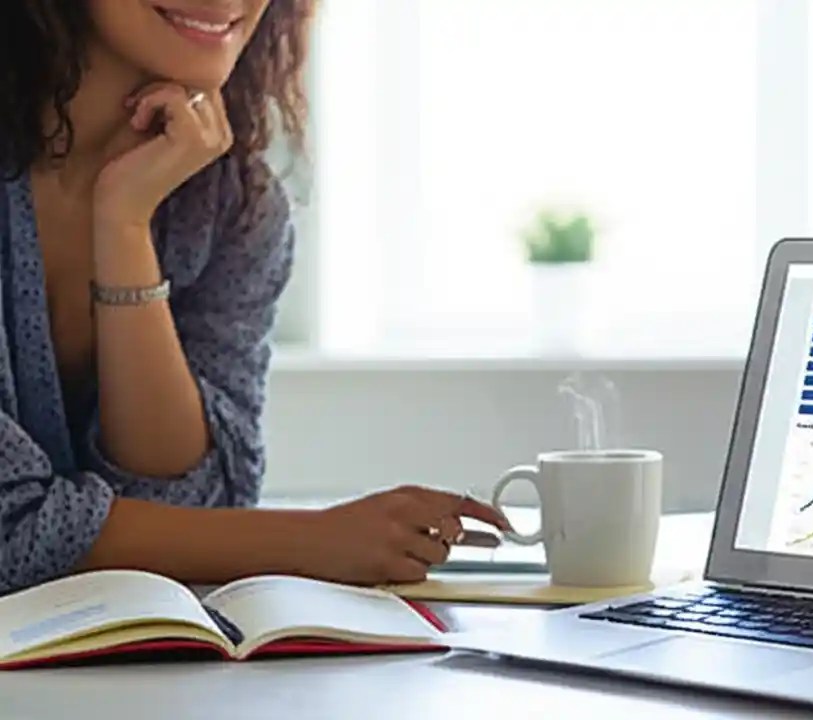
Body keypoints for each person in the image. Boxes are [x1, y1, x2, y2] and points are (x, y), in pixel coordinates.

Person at [0, 0, 510, 595]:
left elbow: (192, 506)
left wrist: (124, 225)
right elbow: (11, 532)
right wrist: (315, 541)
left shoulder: (232, 205)